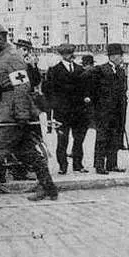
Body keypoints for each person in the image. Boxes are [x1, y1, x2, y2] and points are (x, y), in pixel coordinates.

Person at [0, 23, 57, 203]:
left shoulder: (12, 58)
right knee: (28, 152)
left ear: (0, 38)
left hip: (12, 115)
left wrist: (21, 114)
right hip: (7, 113)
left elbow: (22, 86)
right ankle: (50, 188)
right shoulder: (1, 58)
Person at [82, 44, 128, 174]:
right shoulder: (101, 69)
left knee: (115, 137)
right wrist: (92, 97)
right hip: (104, 110)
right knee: (102, 137)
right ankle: (99, 165)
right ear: (112, 56)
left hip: (118, 110)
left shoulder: (120, 70)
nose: (121, 58)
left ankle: (112, 164)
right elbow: (86, 78)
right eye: (119, 55)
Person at [45, 43, 89, 174]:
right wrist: (54, 105)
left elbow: (85, 87)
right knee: (62, 140)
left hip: (78, 112)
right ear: (63, 55)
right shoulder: (54, 71)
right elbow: (48, 91)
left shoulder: (80, 69)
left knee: (79, 139)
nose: (71, 56)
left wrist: (86, 97)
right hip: (62, 112)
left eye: (72, 53)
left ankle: (78, 164)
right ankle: (62, 166)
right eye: (69, 54)